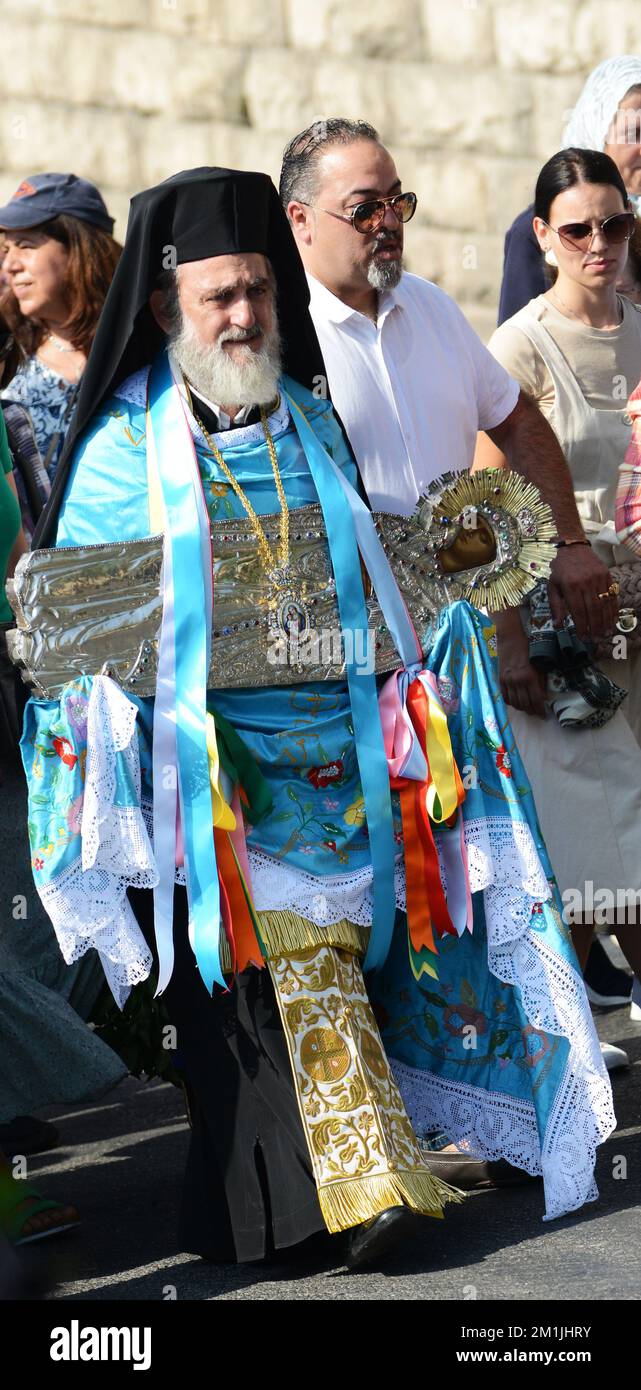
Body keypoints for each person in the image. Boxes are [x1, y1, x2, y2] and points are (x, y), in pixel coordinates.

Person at [21, 166, 478, 1270]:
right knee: (289, 964)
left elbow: (371, 572)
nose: (241, 316)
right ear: (169, 305)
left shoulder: (312, 421)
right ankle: (370, 1188)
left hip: (345, 756)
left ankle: (270, 1215)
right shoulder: (124, 450)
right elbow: (82, 627)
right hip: (211, 776)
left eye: (257, 294)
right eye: (218, 297)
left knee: (343, 960)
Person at [279, 120, 617, 1211]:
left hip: (451, 664)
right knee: (369, 899)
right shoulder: (281, 338)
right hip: (337, 675)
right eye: (362, 207)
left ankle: (497, 1107)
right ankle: (384, 1133)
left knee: (471, 894)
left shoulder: (423, 308)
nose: (387, 224)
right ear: (297, 220)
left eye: (397, 201)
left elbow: (514, 419)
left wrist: (561, 543)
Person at [478, 148, 641, 1015]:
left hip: (638, 627)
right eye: (575, 229)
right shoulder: (518, 345)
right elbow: (486, 512)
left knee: (598, 859)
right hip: (563, 638)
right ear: (541, 238)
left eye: (613, 224)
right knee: (598, 849)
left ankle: (548, 1043)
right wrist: (508, 647)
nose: (598, 244)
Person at [498, 55, 641, 324]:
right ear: (597, 130)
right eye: (635, 133)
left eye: (617, 226)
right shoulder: (533, 233)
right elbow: (519, 350)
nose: (599, 242)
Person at [0, 173, 120, 480]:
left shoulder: (143, 350)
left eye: (25, 246)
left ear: (79, 250)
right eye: (5, 251)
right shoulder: (7, 346)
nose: (10, 266)